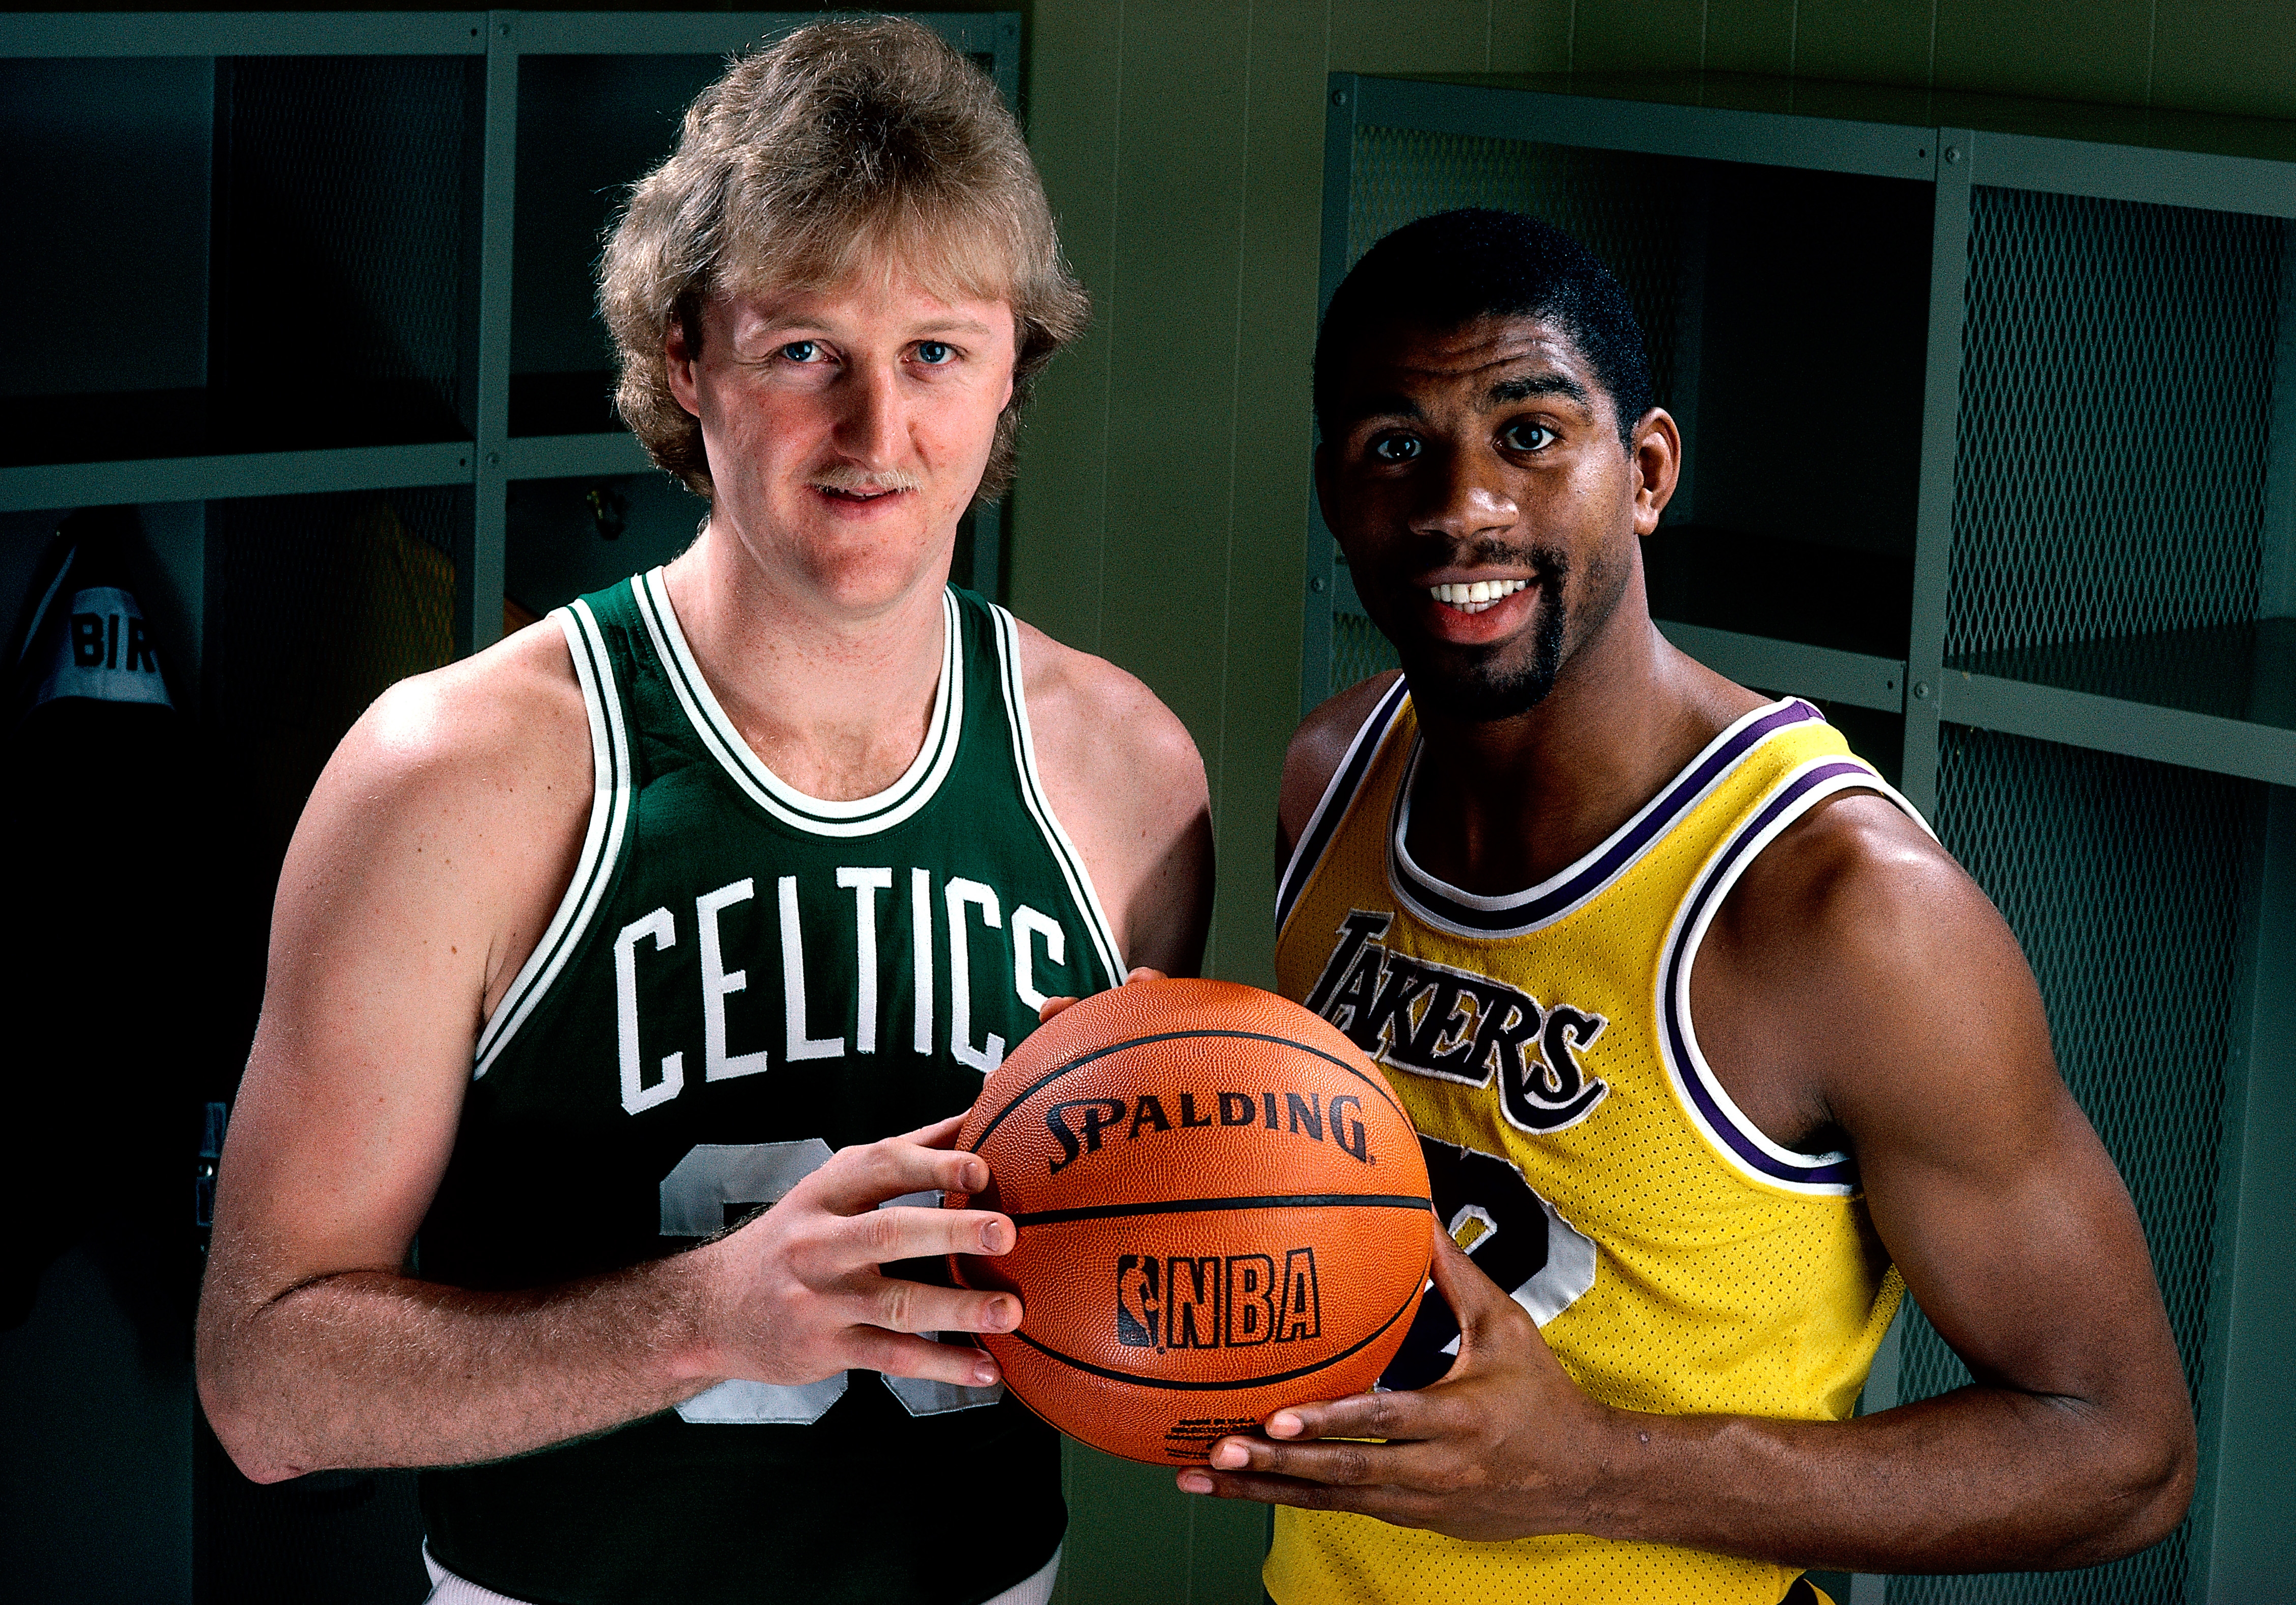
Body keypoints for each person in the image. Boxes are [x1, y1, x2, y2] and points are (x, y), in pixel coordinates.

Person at [194, 20, 1211, 1605]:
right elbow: (265, 1392)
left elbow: (1114, 1274)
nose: (878, 435)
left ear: (1018, 360)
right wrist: (709, 1315)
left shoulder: (1128, 774)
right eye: (805, 350)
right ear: (687, 356)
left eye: (937, 350)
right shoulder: (455, 776)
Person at [1181, 208, 2195, 1604]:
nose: (1463, 505)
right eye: (1396, 448)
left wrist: (1591, 1466)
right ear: (1336, 491)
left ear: (1646, 471)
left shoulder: (1843, 907)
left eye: (1530, 434)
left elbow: (2122, 1452)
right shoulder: (1333, 773)